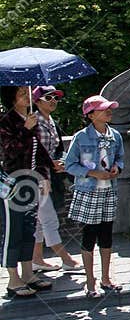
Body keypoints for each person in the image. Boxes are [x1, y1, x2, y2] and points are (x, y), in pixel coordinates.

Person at [65, 95, 125, 297]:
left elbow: (120, 159)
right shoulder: (81, 137)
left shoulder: (115, 135)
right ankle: (90, 281)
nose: (109, 111)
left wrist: (117, 167)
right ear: (90, 115)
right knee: (89, 235)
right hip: (89, 191)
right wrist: (92, 173)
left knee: (106, 234)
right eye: (103, 109)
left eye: (109, 108)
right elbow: (69, 165)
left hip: (109, 189)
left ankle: (106, 277)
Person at [1, 86, 56, 298]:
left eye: (27, 92)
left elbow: (38, 151)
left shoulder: (30, 118)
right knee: (12, 230)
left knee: (29, 229)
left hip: (30, 182)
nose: (27, 96)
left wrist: (45, 173)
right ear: (11, 97)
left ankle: (27, 273)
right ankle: (13, 278)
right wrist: (25, 129)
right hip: (11, 182)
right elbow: (9, 151)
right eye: (22, 93)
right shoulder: (5, 121)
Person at [30, 86, 82, 273]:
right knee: (49, 218)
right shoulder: (33, 122)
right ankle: (66, 259)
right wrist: (50, 164)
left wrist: (60, 162)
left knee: (40, 221)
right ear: (37, 101)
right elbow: (33, 152)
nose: (53, 100)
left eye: (56, 98)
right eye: (48, 97)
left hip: (49, 174)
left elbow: (54, 149)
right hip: (37, 177)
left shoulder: (51, 121)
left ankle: (36, 259)